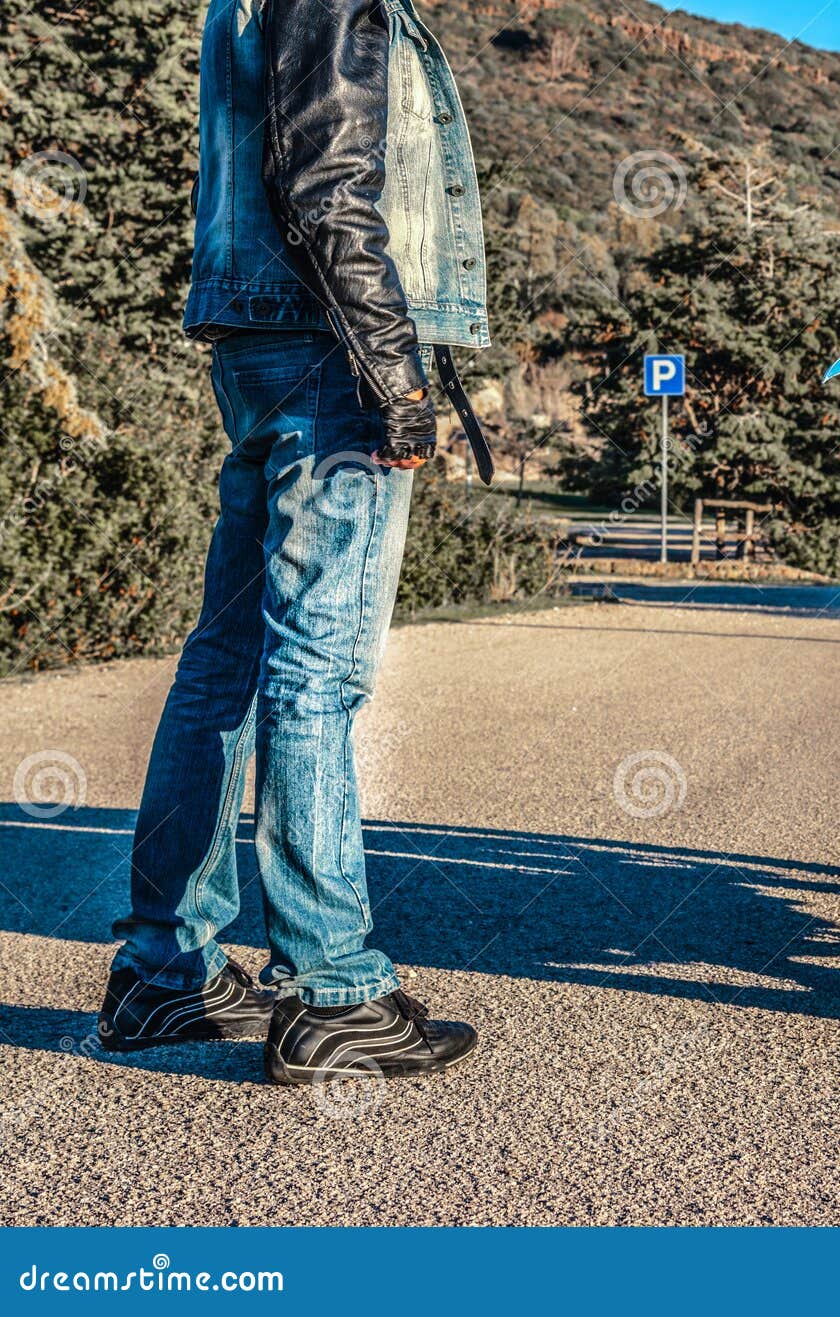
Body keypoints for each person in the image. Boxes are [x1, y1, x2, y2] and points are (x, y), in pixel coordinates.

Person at [99, 0, 493, 1084]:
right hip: (327, 355)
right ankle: (332, 992)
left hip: (260, 339)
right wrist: (394, 370)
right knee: (315, 674)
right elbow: (326, 181)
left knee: (223, 663)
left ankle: (162, 973)